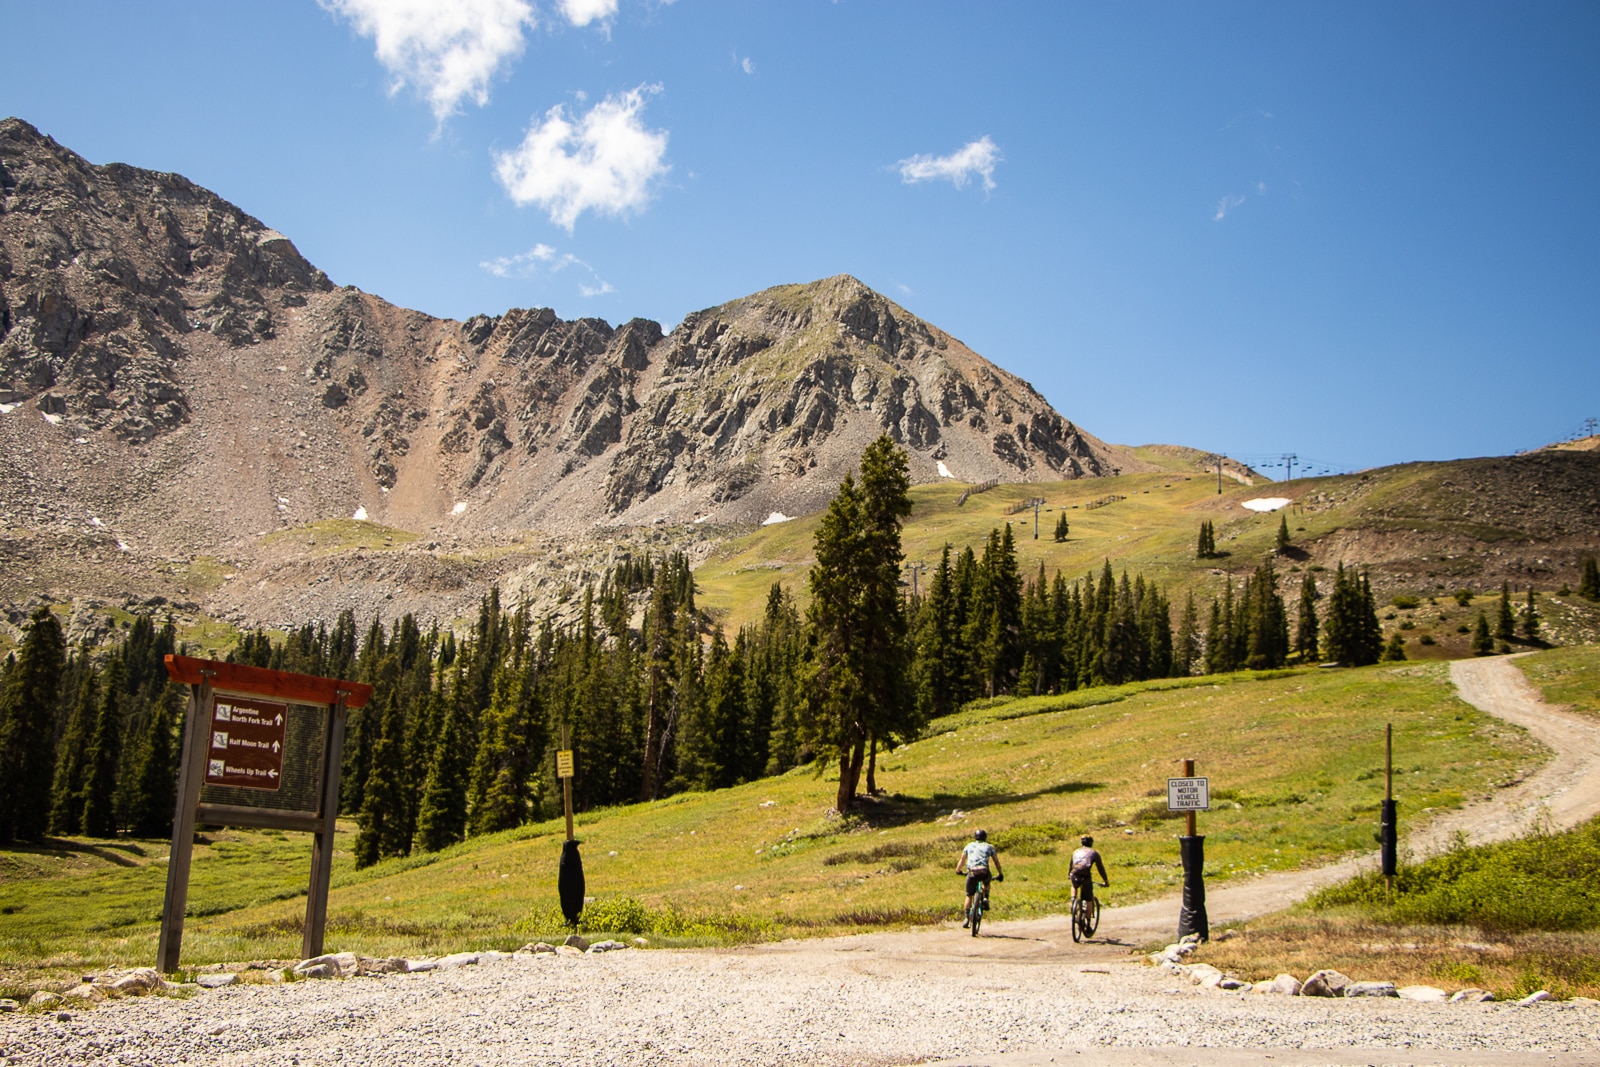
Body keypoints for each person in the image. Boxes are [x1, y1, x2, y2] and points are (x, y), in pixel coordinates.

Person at [957, 829, 1003, 927]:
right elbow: (996, 862)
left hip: (972, 872)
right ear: (985, 838)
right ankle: (986, 897)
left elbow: (962, 859)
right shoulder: (989, 847)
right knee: (987, 882)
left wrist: (958, 870)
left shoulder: (969, 846)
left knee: (969, 895)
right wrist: (1000, 874)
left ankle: (966, 918)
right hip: (984, 871)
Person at [1070, 834, 1109, 908]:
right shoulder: (1094, 853)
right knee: (1088, 899)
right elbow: (1100, 868)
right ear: (1091, 843)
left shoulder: (1075, 852)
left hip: (1074, 873)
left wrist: (1069, 875)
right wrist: (1106, 881)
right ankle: (1088, 918)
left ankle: (1073, 900)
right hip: (1085, 875)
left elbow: (1071, 866)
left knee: (1074, 885)